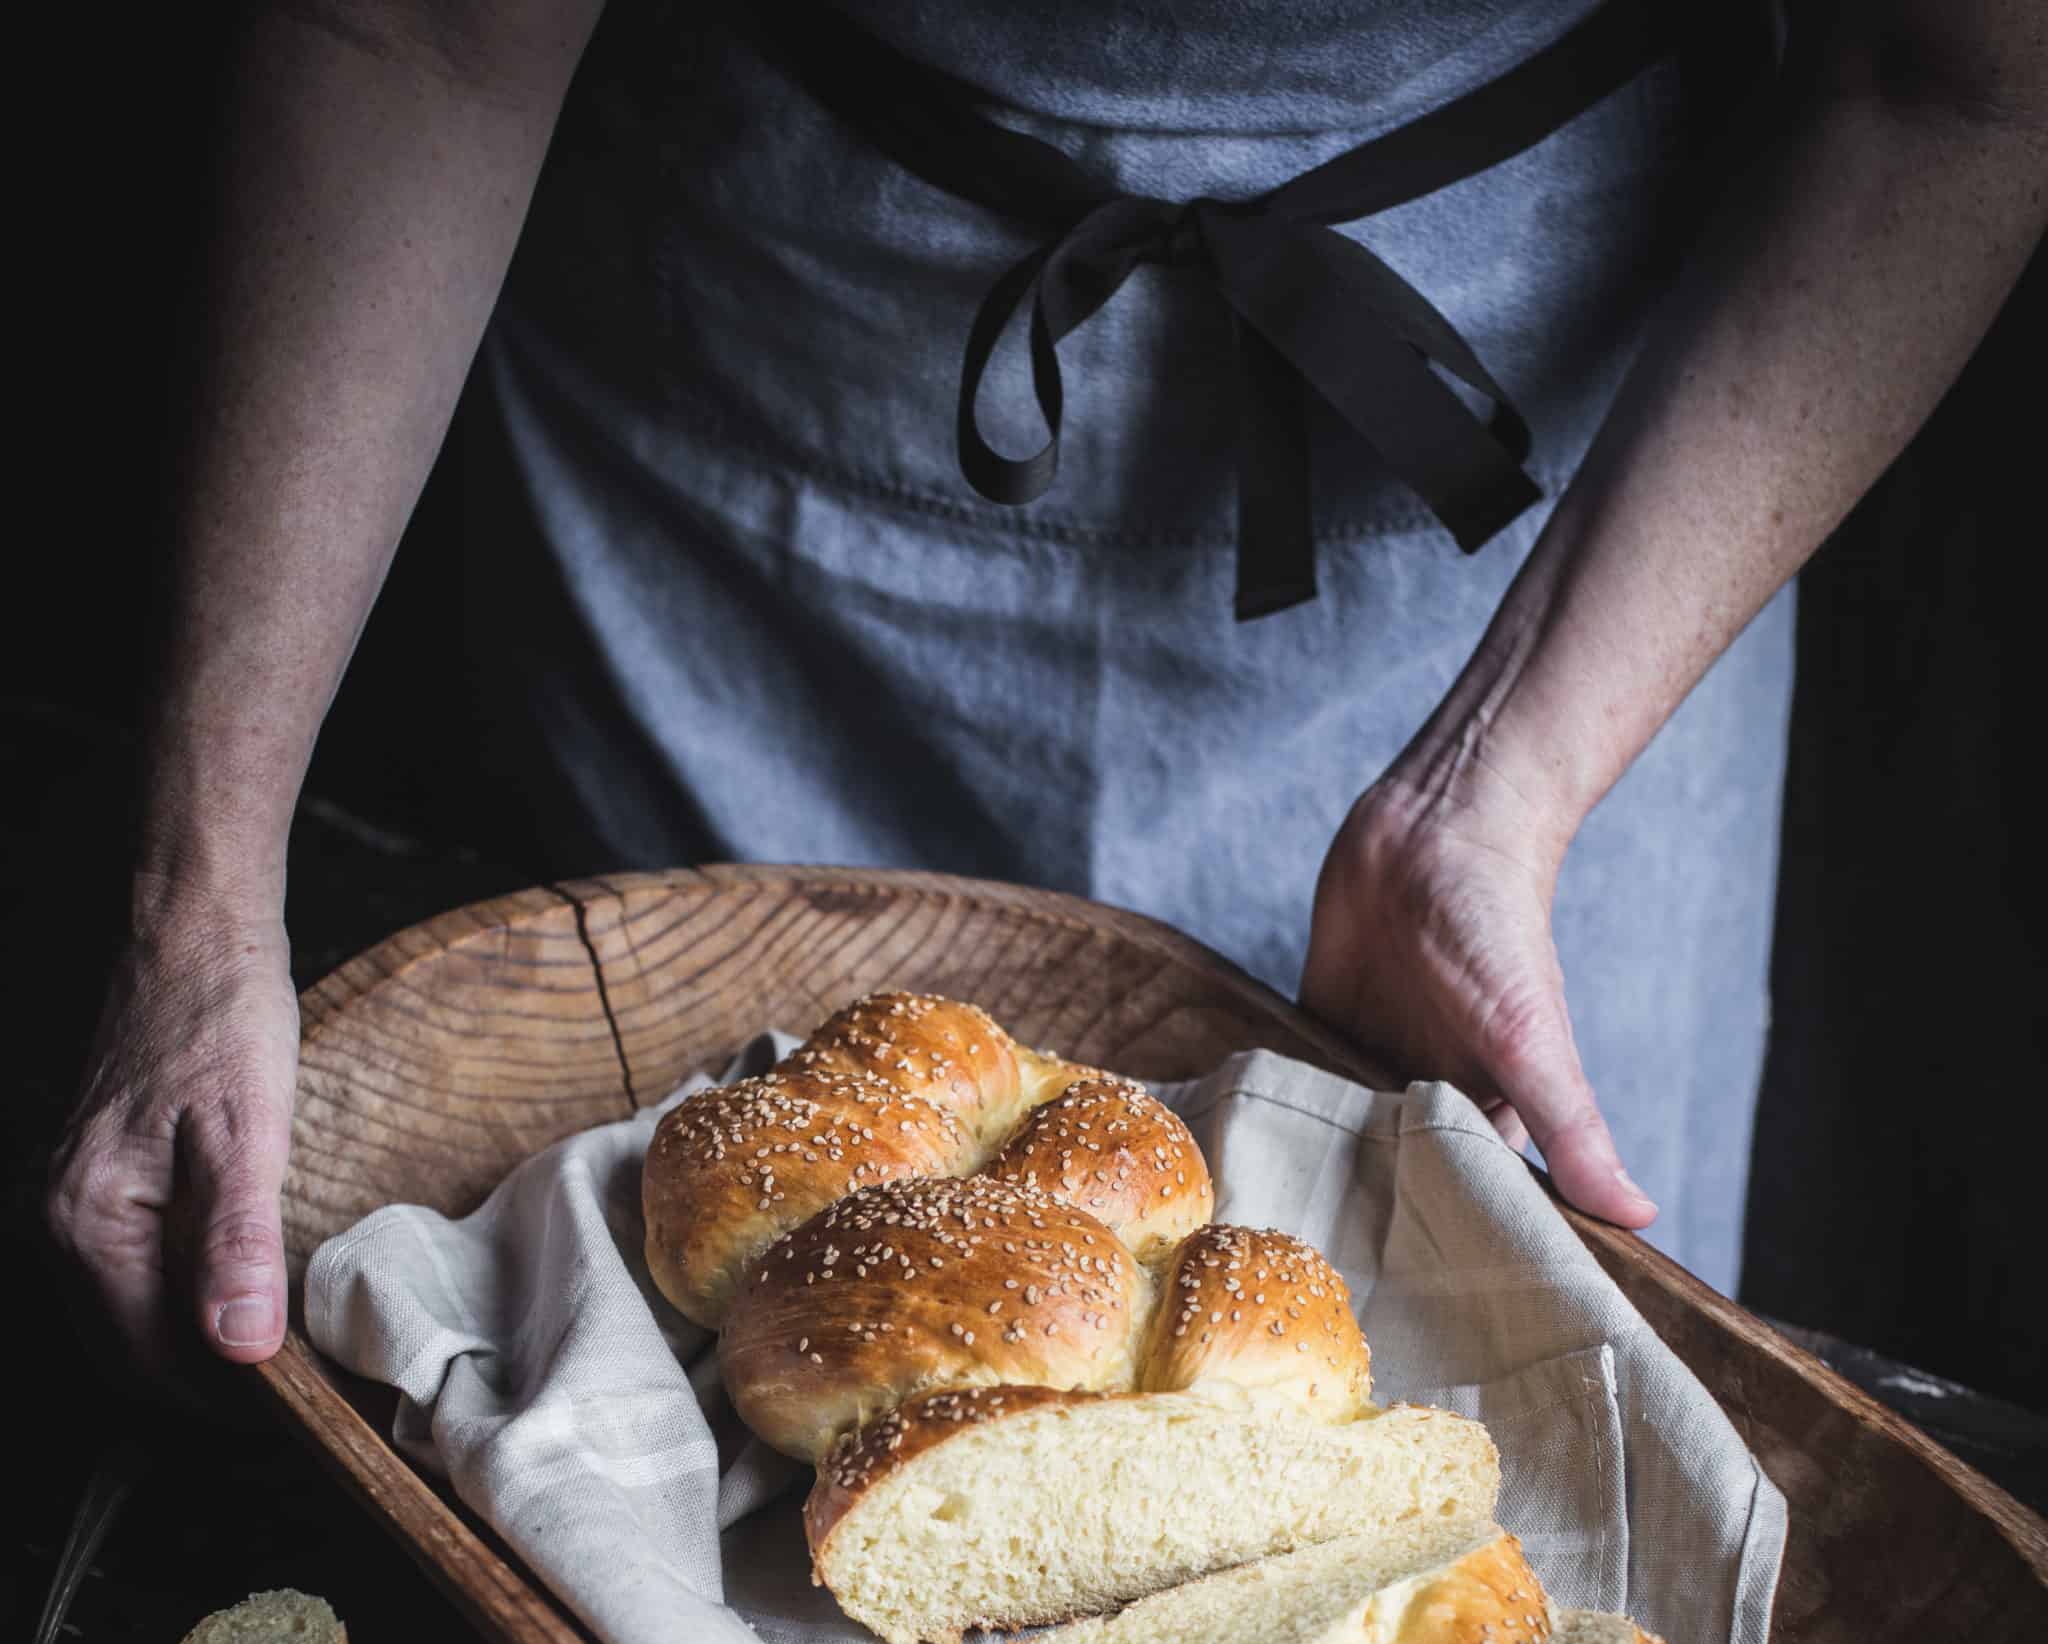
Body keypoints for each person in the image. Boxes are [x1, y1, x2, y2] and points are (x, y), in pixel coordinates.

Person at [46, 0, 2048, 1377]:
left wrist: (1491, 788)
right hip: (770, 417)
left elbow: (1961, 74)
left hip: (1560, 542)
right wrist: (198, 886)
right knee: (664, 1356)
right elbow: (416, 23)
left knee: (1482, 1385)